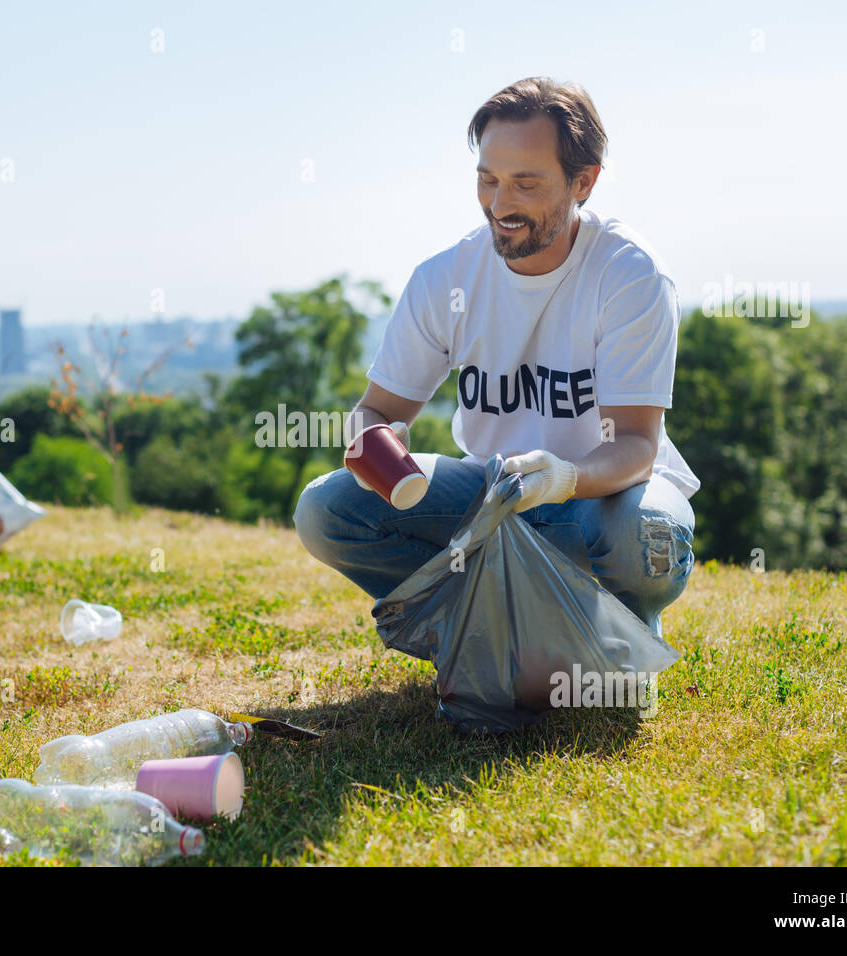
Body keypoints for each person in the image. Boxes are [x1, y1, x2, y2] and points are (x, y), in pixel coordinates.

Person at [294, 77, 700, 639]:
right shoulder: (445, 278)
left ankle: (624, 641)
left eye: (525, 184)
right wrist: (374, 444)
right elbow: (376, 411)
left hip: (602, 499)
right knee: (326, 510)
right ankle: (483, 637)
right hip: (490, 494)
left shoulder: (629, 273)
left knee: (649, 529)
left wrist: (562, 478)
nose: (500, 205)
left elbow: (635, 446)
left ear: (583, 181)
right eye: (488, 180)